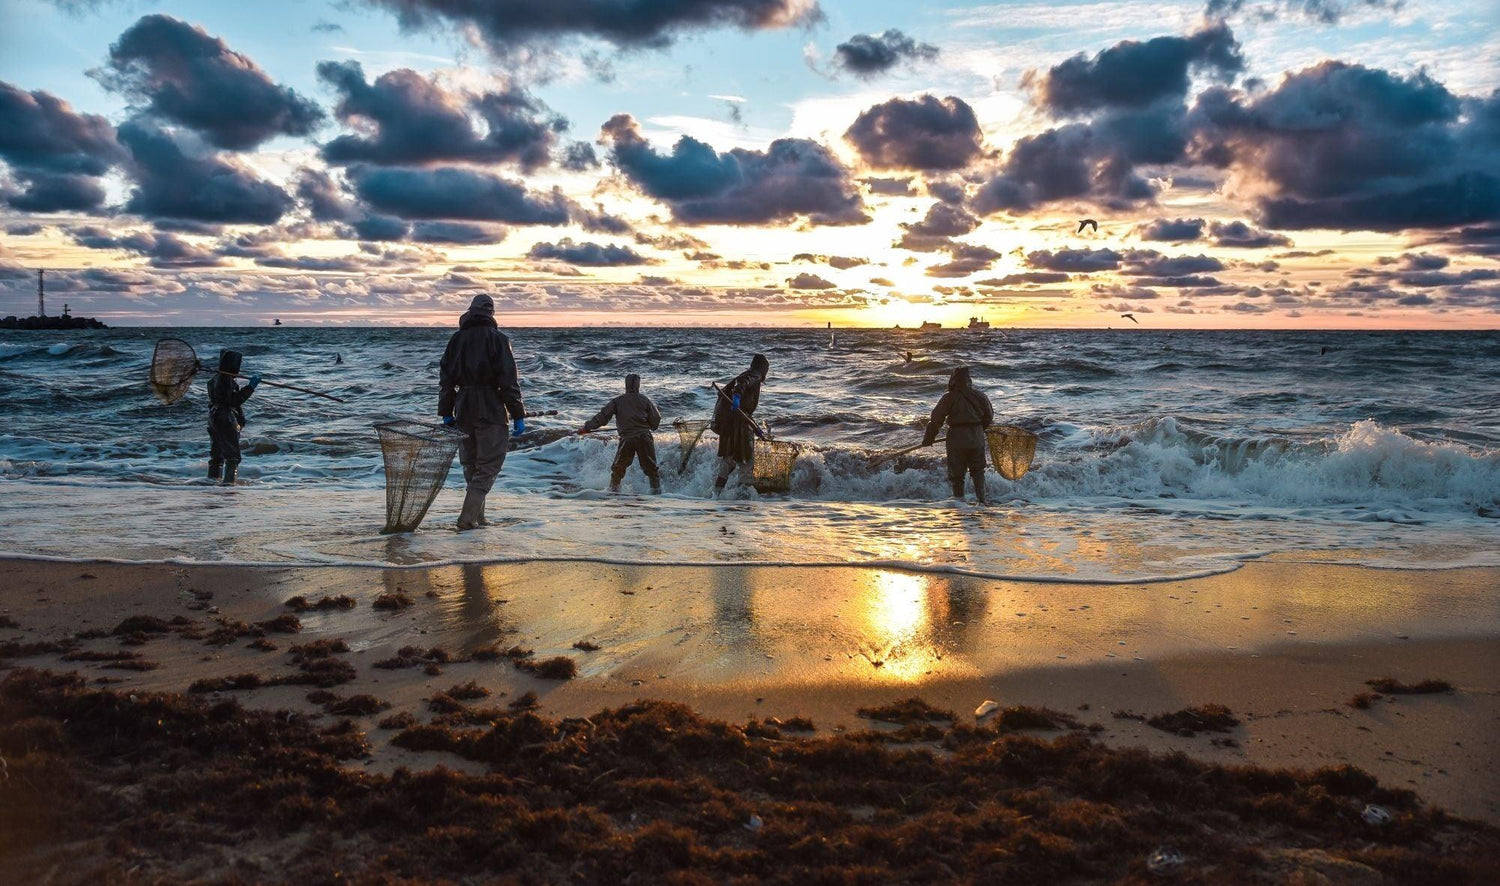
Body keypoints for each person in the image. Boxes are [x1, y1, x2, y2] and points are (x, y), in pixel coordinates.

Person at [438, 294, 525, 530]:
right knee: (488, 466)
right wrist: (517, 413)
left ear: (470, 312)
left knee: (471, 465)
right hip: (490, 407)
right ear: (491, 314)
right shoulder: (498, 339)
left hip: (463, 406)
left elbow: (446, 380)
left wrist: (446, 411)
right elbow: (508, 380)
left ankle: (479, 517)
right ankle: (467, 518)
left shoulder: (456, 340)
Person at [580, 373, 663, 494]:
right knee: (652, 470)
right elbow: (656, 420)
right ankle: (657, 495)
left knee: (618, 470)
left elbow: (602, 417)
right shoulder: (645, 400)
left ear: (626, 385)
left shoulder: (617, 401)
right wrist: (649, 426)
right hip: (644, 438)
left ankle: (613, 493)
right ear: (638, 385)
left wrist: (587, 427)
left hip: (626, 440)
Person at [922, 366, 993, 504]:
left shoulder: (948, 398)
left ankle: (959, 502)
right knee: (978, 472)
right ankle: (982, 501)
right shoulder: (980, 396)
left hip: (956, 438)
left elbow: (936, 420)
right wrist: (978, 429)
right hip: (977, 438)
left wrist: (929, 438)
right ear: (969, 380)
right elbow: (989, 417)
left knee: (957, 474)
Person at [711, 354, 769, 496]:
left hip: (730, 426)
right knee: (746, 462)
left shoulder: (746, 374)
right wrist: (736, 396)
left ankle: (716, 495)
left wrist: (757, 430)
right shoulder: (754, 375)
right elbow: (741, 384)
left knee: (728, 461)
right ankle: (743, 500)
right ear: (763, 369)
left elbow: (745, 412)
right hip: (739, 427)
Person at [207, 349, 259, 486]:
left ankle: (211, 482)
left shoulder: (213, 380)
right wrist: (250, 387)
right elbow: (234, 401)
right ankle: (229, 485)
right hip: (225, 418)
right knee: (232, 456)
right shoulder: (226, 380)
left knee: (216, 455)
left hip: (213, 417)